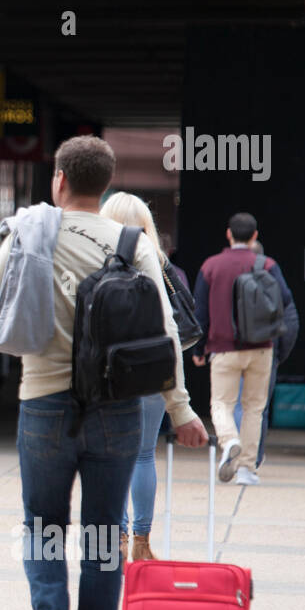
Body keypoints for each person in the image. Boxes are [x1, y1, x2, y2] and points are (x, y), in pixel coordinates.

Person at [0, 135, 207, 610]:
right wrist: (181, 409)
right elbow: (167, 332)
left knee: (44, 525)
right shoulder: (130, 241)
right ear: (105, 185)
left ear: (59, 180)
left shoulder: (28, 233)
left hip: (44, 405)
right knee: (103, 540)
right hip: (118, 411)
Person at [99, 192, 176, 563]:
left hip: (109, 372)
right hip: (153, 369)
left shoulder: (94, 262)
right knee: (144, 455)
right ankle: (143, 544)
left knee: (113, 457)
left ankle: (119, 539)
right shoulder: (161, 266)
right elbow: (172, 324)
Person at [191, 212, 294, 486]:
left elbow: (199, 312)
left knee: (221, 403)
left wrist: (199, 348)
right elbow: (284, 302)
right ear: (255, 236)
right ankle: (247, 469)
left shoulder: (211, 266)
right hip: (262, 347)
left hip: (223, 348)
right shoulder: (268, 264)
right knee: (254, 408)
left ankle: (229, 440)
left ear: (228, 234)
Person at [230, 240, 300, 471]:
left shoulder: (226, 272)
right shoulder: (273, 279)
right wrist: (279, 355)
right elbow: (290, 320)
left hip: (234, 350)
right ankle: (252, 460)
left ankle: (237, 453)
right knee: (258, 408)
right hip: (265, 352)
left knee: (236, 406)